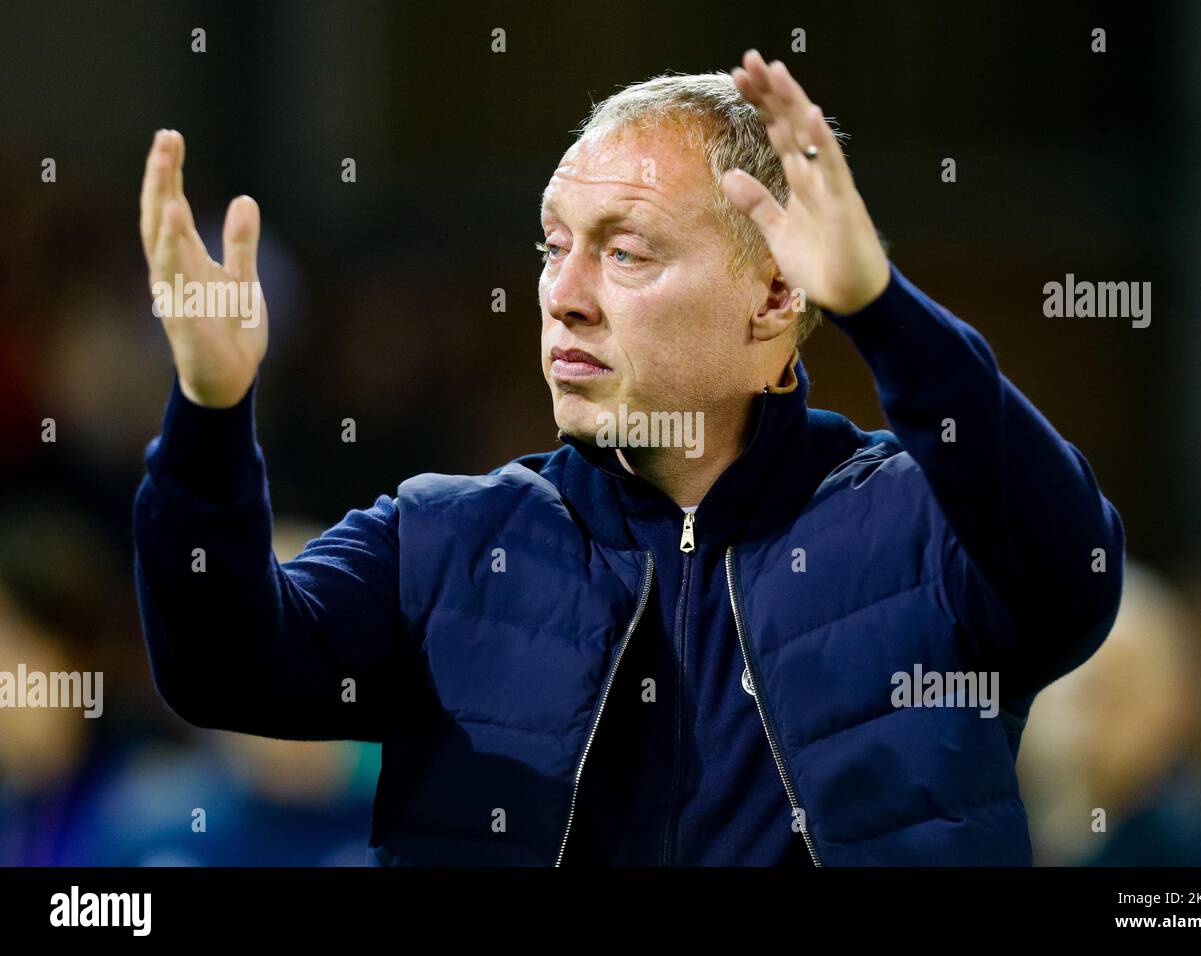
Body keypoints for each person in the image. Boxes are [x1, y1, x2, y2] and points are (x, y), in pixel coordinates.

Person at [132, 50, 1125, 865]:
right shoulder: (445, 540)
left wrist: (885, 312)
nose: (563, 292)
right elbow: (222, 668)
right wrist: (210, 414)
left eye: (626, 251)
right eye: (550, 245)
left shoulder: (920, 528)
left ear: (776, 297)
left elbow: (1072, 568)